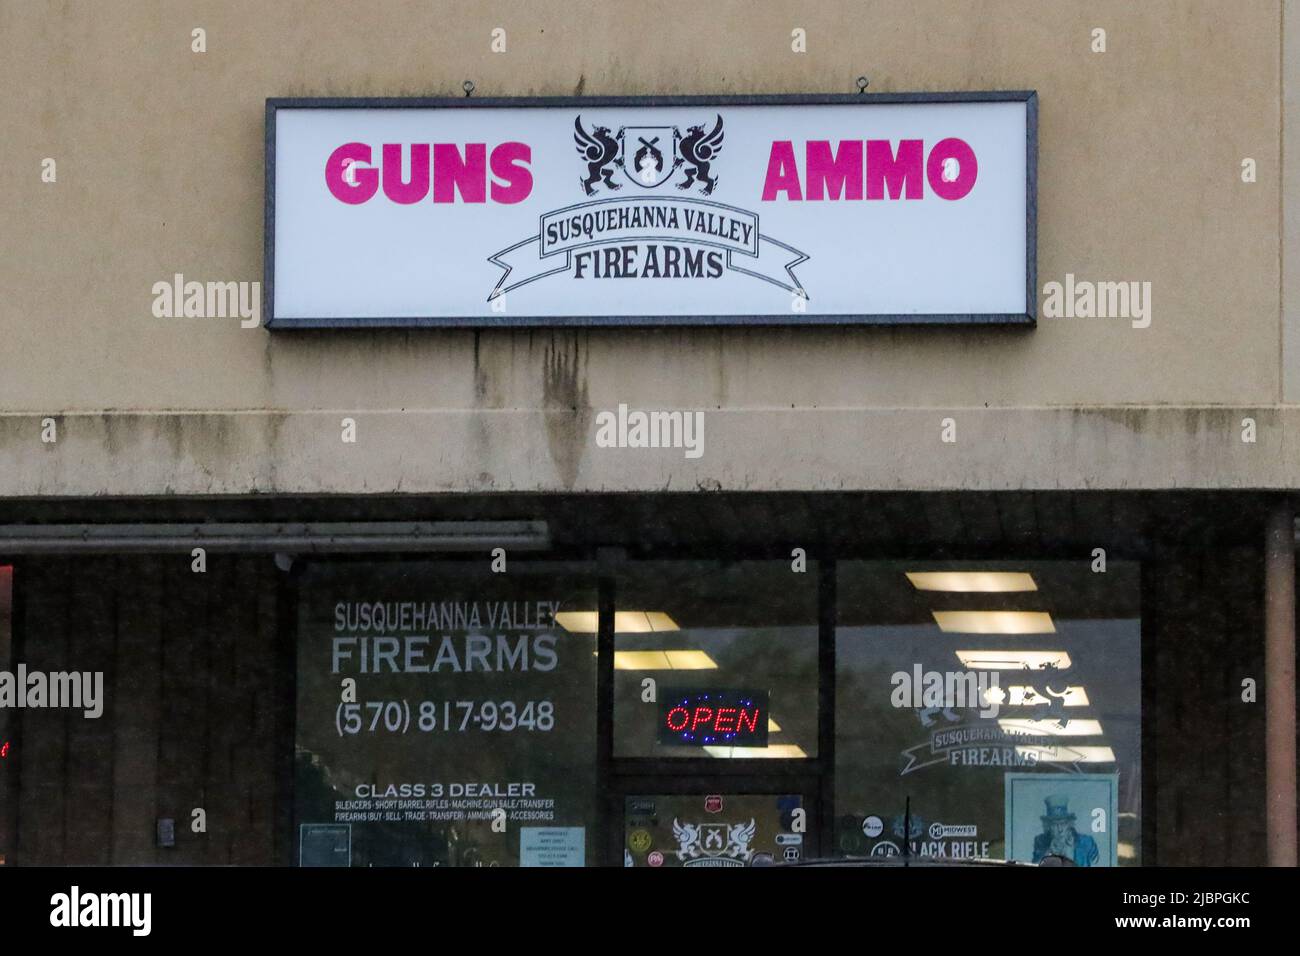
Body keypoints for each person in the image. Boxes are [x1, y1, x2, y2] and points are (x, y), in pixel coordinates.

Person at [1031, 795, 1100, 866]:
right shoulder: (1041, 842)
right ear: (1049, 826)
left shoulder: (1086, 842)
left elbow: (1096, 862)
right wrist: (1048, 852)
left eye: (1063, 824)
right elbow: (1035, 864)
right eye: (1055, 825)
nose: (1060, 829)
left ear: (1069, 824)